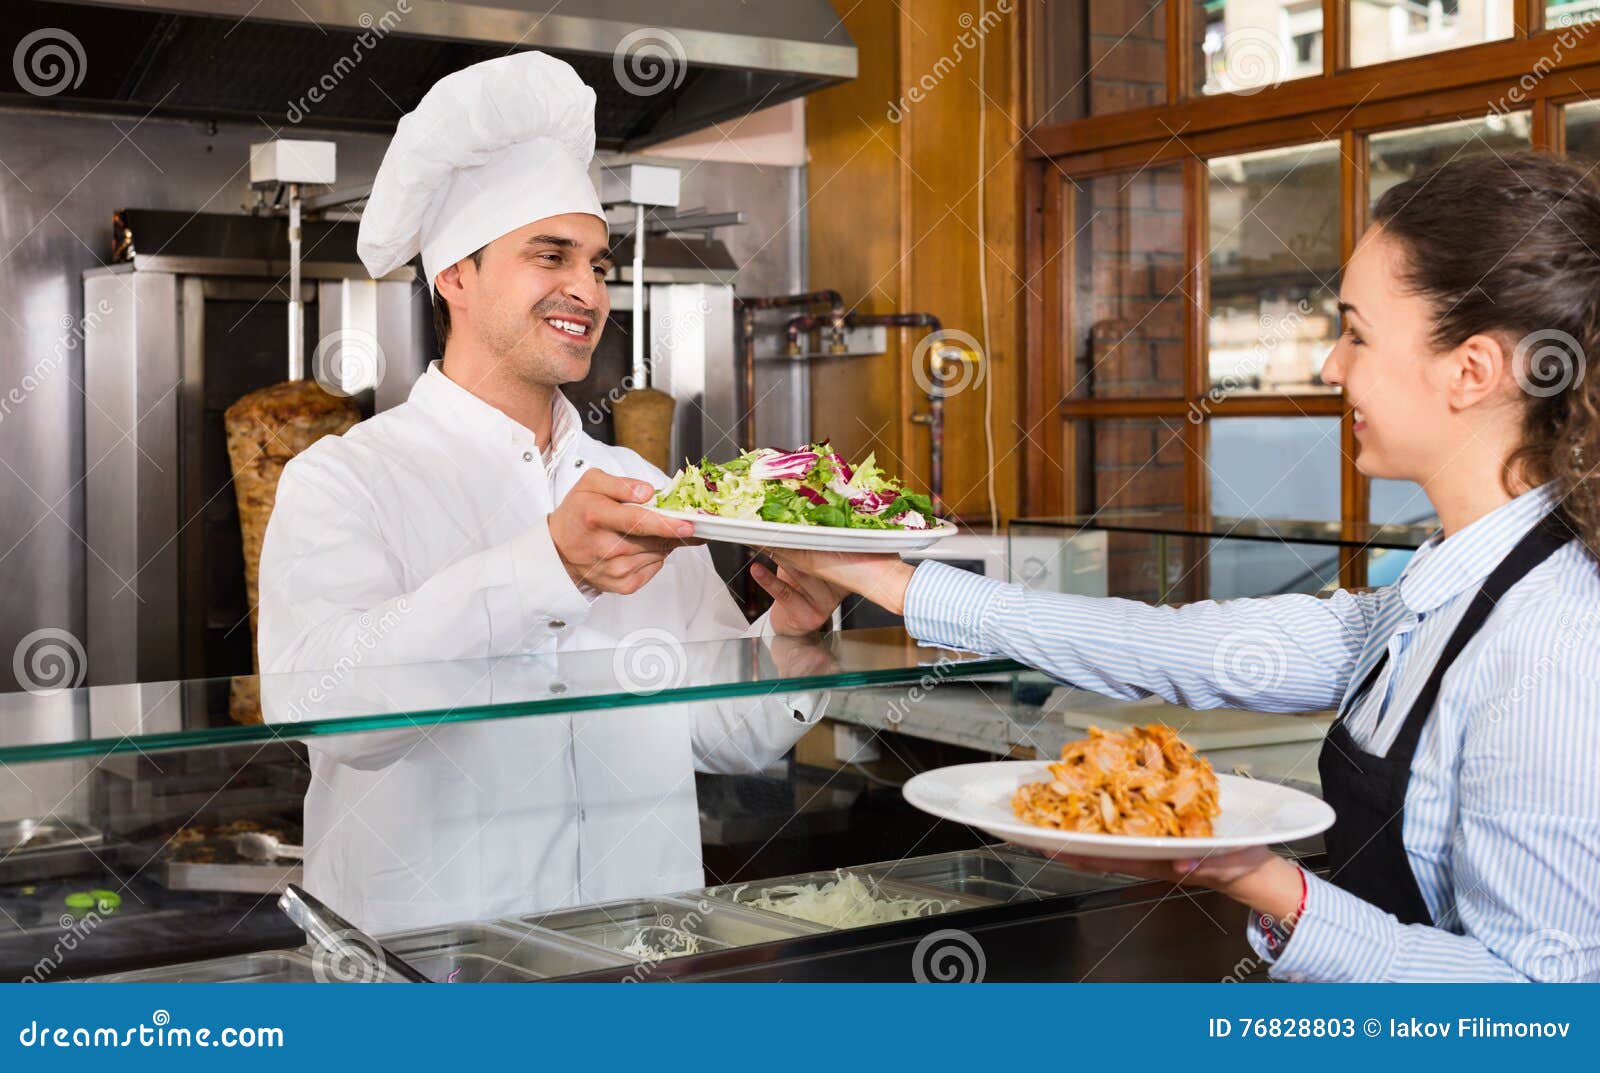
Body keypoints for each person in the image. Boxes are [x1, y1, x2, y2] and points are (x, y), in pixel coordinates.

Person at [772, 151, 1600, 982]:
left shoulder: (1552, 644)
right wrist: (885, 578)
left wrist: (1260, 880)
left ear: (1473, 370)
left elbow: (1545, 1013)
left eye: (1356, 331)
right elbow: (1167, 648)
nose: (1330, 364)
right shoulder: (1432, 599)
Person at [257, 52, 841, 933]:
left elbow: (720, 728)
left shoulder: (640, 485)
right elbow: (328, 713)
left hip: (638, 963)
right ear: (455, 273)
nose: (587, 290)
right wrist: (547, 568)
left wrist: (794, 636)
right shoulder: (345, 478)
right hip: (442, 981)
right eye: (550, 256)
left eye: (599, 264)